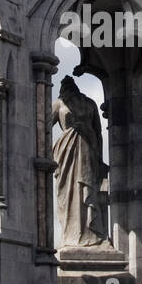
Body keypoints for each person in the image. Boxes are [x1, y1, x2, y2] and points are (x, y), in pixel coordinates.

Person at [52, 76, 110, 248]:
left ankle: (93, 234)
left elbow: (98, 132)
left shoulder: (90, 103)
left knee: (88, 188)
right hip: (66, 152)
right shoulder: (58, 104)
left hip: (88, 149)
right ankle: (71, 235)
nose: (67, 88)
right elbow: (41, 127)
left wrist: (99, 158)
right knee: (69, 191)